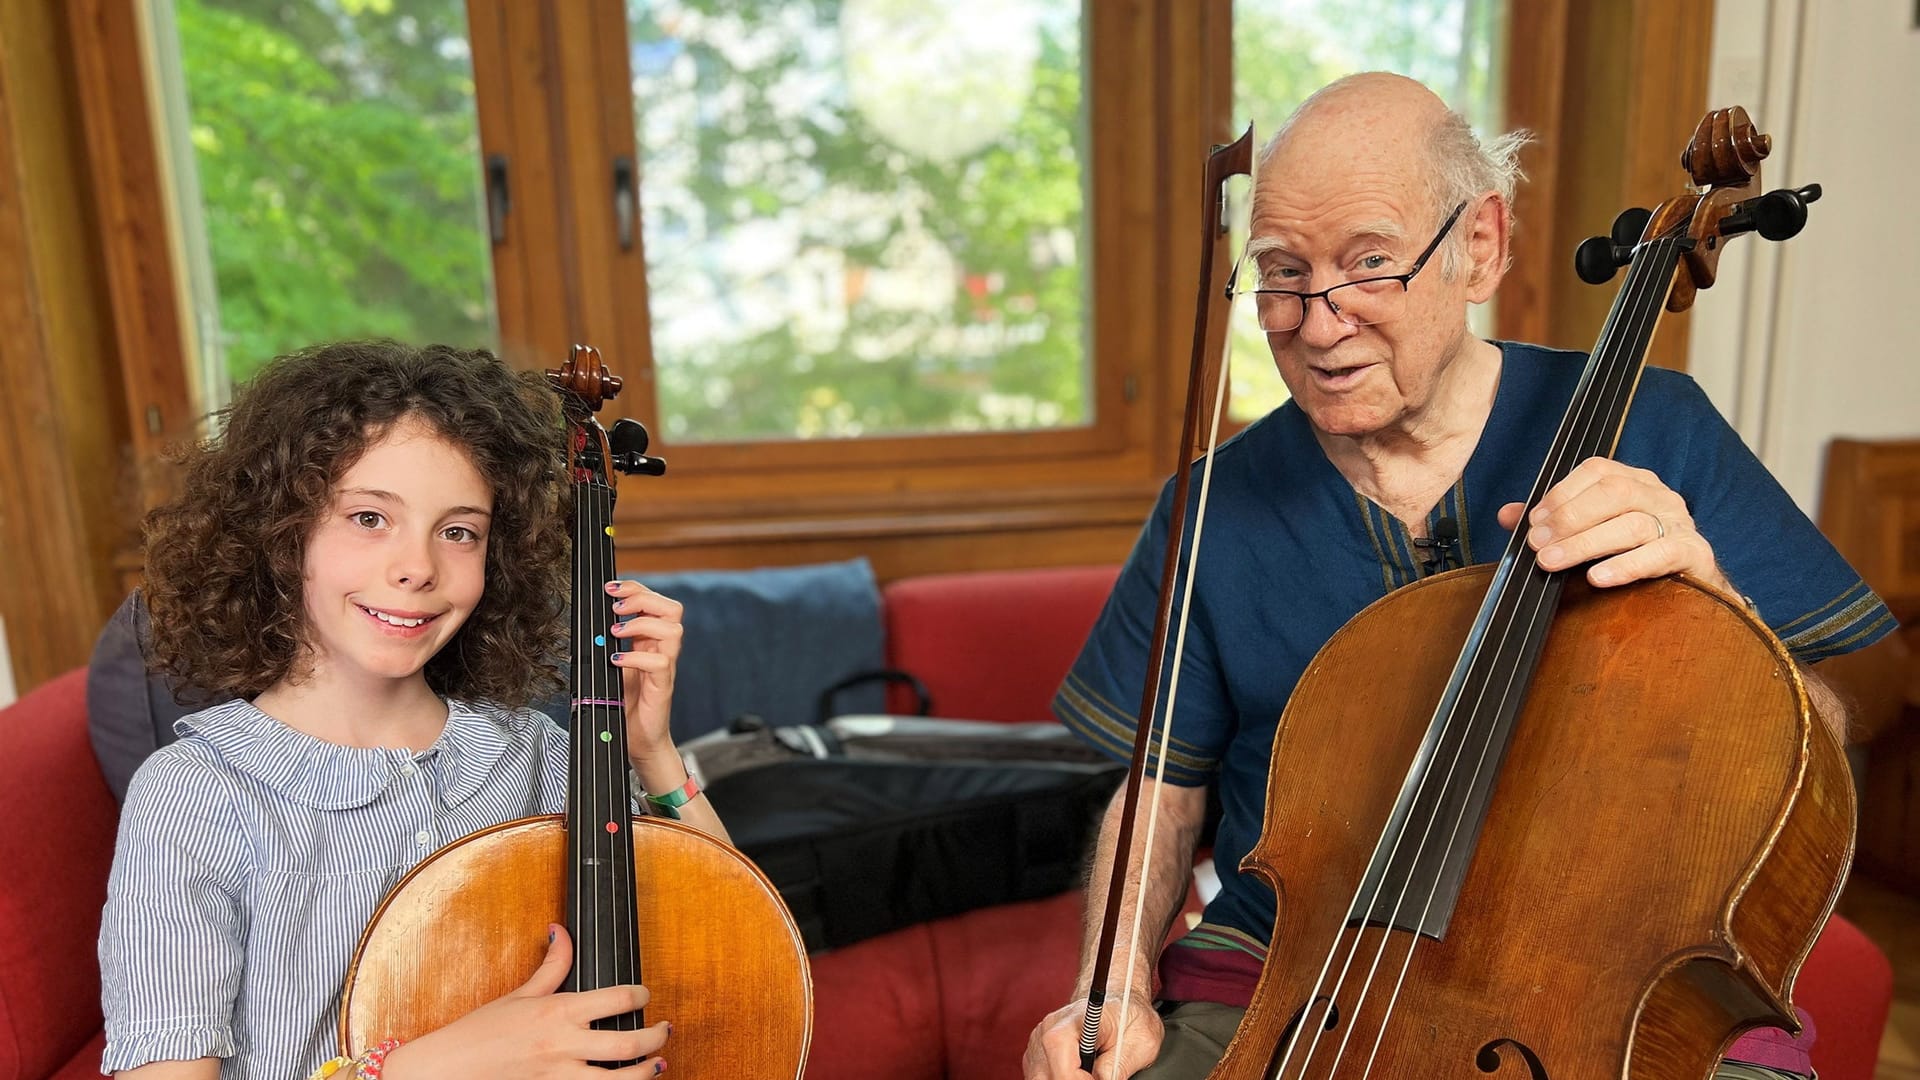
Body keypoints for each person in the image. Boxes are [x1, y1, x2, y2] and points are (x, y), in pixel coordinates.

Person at [1022, 73, 1895, 1080]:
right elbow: (1159, 793)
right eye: (1281, 271)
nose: (1316, 321)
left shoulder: (1659, 429)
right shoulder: (1209, 507)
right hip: (1294, 975)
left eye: (1370, 262)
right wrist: (1113, 982)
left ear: (1479, 244)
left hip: (1611, 975)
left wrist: (1718, 611)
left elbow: (1867, 697)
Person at [100, 341, 717, 1079]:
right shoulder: (196, 797)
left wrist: (653, 753)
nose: (418, 568)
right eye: (369, 518)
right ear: (279, 532)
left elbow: (729, 949)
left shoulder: (537, 758)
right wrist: (439, 1065)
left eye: (459, 532)